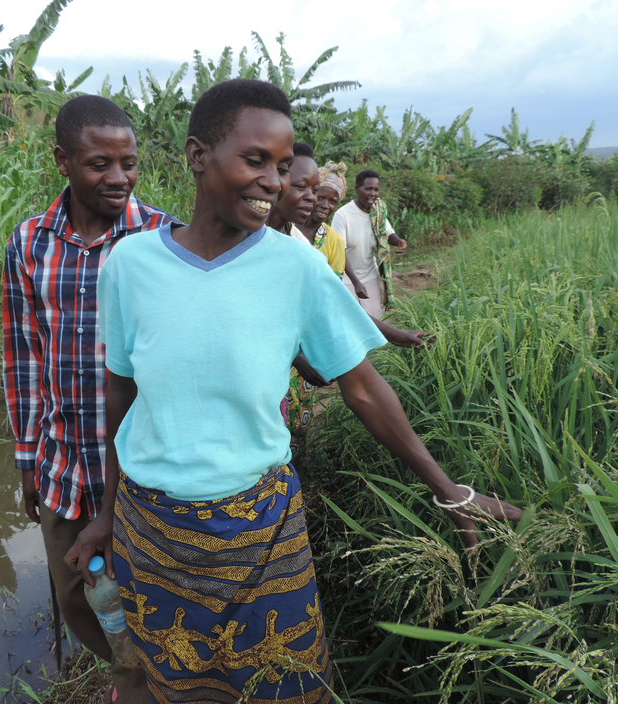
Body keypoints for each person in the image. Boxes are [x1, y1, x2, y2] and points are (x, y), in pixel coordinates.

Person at [68, 79, 522, 703]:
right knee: (182, 685)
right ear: (198, 155)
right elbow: (120, 398)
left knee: (286, 687)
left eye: (281, 167)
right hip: (154, 533)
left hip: (263, 531)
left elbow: (361, 388)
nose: (273, 183)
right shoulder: (130, 265)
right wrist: (105, 512)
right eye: (255, 161)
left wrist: (450, 492)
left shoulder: (297, 267)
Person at [2, 95, 175, 704]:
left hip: (141, 466)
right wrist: (28, 463)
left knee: (150, 595)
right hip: (62, 461)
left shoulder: (162, 238)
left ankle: (144, 685)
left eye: (129, 163)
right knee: (79, 598)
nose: (119, 178)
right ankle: (126, 671)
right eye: (100, 164)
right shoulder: (28, 244)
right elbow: (23, 358)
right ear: (63, 161)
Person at [267, 145, 431, 456]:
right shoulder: (246, 238)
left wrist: (394, 334)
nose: (317, 201)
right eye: (304, 188)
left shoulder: (305, 245)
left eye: (320, 193)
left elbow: (334, 297)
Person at [332, 169, 407, 318]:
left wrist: (399, 241)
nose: (373, 193)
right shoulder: (343, 215)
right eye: (368, 189)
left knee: (376, 318)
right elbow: (339, 252)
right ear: (357, 188)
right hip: (346, 277)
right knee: (352, 320)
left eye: (376, 189)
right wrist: (355, 282)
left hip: (369, 274)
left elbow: (388, 233)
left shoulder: (377, 212)